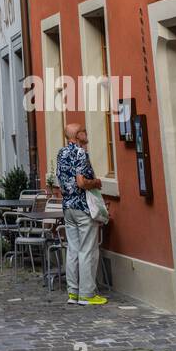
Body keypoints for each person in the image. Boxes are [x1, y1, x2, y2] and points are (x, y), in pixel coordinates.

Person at [56, 123, 107, 305]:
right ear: (78, 135)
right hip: (83, 207)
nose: (87, 133)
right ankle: (87, 294)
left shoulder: (61, 153)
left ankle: (73, 292)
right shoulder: (80, 152)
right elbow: (81, 182)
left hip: (68, 207)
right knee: (87, 250)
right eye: (84, 131)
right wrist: (97, 182)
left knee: (73, 250)